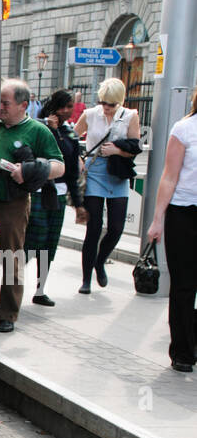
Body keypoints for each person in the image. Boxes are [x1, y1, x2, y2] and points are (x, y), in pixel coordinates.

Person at [0, 79, 65, 333]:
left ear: (23, 105)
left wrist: (28, 170)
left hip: (12, 204)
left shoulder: (38, 131)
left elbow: (59, 166)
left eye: (5, 103)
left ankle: (8, 314)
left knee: (9, 258)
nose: (1, 108)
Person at [146, 88, 197, 373]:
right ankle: (182, 351)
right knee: (184, 283)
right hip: (184, 213)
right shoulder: (185, 129)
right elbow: (169, 176)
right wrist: (157, 219)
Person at [74, 77, 141, 294]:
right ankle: (86, 280)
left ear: (119, 101)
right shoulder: (91, 114)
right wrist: (79, 159)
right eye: (103, 102)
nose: (107, 107)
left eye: (111, 104)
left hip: (117, 173)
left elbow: (134, 147)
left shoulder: (130, 116)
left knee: (116, 228)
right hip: (94, 171)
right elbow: (71, 136)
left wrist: (118, 151)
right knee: (93, 228)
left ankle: (100, 261)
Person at [25, 90, 84, 307]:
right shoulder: (38, 128)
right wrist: (51, 129)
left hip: (57, 195)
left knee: (50, 243)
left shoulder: (70, 133)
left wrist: (78, 204)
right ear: (54, 107)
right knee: (33, 240)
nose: (67, 111)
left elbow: (71, 172)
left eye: (70, 107)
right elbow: (37, 153)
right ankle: (12, 283)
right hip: (39, 192)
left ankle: (40, 290)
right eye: (63, 107)